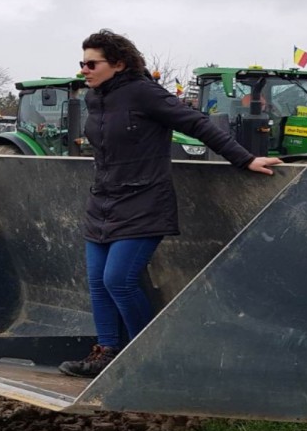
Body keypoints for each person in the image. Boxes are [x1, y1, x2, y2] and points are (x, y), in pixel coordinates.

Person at [58, 29, 283, 378]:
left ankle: (147, 357)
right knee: (98, 281)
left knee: (119, 280)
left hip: (144, 200)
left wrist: (244, 159)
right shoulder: (94, 98)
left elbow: (197, 124)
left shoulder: (145, 93)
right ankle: (106, 353)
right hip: (103, 200)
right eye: (81, 63)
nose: (84, 69)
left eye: (91, 63)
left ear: (118, 64)